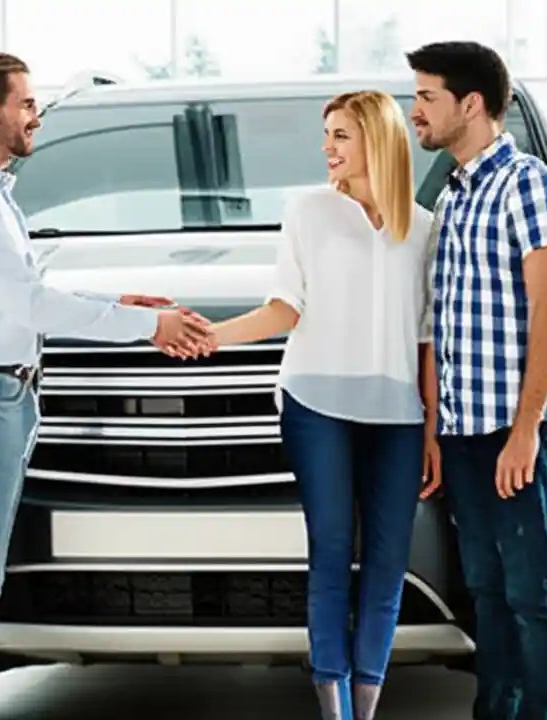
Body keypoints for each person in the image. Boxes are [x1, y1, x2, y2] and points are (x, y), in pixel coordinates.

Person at [0, 51, 212, 720]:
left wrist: (122, 300)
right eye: (24, 103)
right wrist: (146, 326)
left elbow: (27, 294)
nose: (34, 115)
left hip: (5, 395)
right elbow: (31, 305)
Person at [204, 90, 441, 720]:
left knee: (388, 561)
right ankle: (333, 708)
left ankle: (368, 706)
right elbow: (286, 307)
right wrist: (211, 336)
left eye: (341, 135)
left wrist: (432, 430)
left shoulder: (423, 228)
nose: (327, 147)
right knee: (331, 550)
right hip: (316, 405)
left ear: (377, 140)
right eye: (327, 134)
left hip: (397, 415)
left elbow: (425, 338)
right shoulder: (307, 211)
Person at [406, 41, 547, 719]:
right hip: (465, 433)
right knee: (487, 587)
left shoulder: (527, 185)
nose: (415, 110)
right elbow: (445, 325)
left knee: (534, 593)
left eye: (427, 96)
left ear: (469, 104)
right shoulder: (451, 196)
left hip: (515, 432)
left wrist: (527, 431)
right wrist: (437, 431)